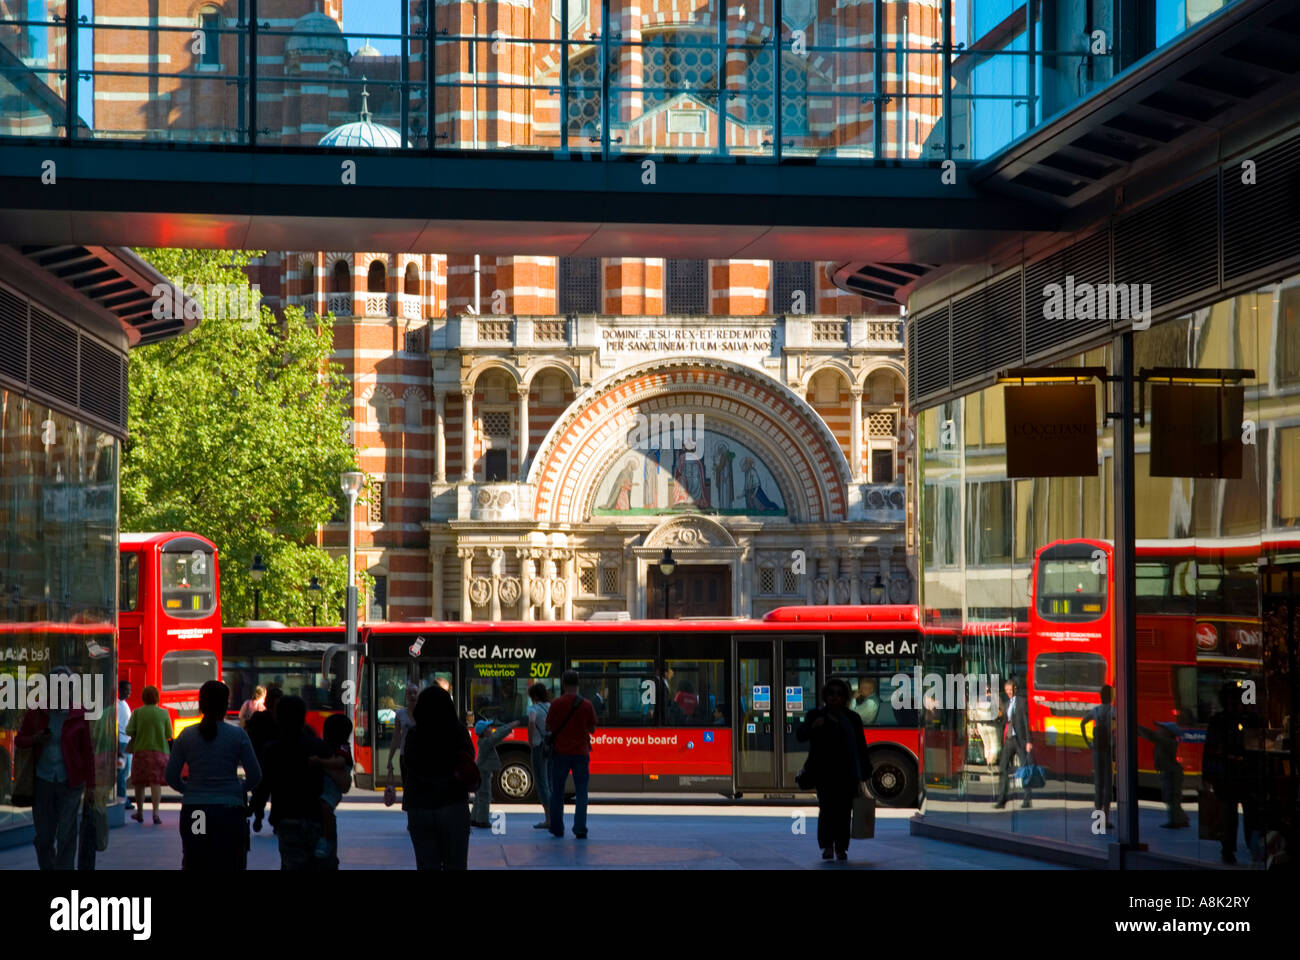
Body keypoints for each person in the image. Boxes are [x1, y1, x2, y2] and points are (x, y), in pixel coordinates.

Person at [164, 680, 261, 870]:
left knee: (197, 858)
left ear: (200, 705)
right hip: (229, 812)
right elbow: (255, 775)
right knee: (228, 860)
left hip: (196, 811)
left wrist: (189, 789)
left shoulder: (186, 735)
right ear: (226, 705)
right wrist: (238, 789)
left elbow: (171, 776)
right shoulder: (238, 735)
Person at [16, 667, 95, 870]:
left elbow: (87, 751)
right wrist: (36, 738)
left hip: (70, 782)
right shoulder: (36, 712)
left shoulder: (79, 714)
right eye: (56, 686)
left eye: (65, 687)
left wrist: (91, 786)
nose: (61, 691)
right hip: (43, 781)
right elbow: (19, 740)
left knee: (66, 834)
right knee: (44, 837)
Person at [249, 695, 334, 870]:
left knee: (292, 863)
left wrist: (253, 808)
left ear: (278, 718)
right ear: (303, 717)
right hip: (315, 816)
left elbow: (264, 785)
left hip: (286, 818)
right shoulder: (318, 746)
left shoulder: (273, 750)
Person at [796, 678, 873, 861]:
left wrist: (865, 770)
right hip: (824, 772)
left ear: (845, 697)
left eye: (839, 694)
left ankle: (841, 848)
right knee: (827, 810)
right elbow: (800, 735)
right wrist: (812, 727)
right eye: (831, 694)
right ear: (825, 696)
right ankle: (827, 846)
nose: (835, 697)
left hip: (847, 773)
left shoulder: (852, 718)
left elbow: (860, 746)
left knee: (844, 812)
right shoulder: (816, 715)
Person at [403, 685, 474, 870]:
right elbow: (469, 759)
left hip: (420, 807)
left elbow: (408, 763)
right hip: (453, 804)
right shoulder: (458, 732)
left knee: (426, 864)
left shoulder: (414, 734)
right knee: (456, 863)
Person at [1203, 682, 1262, 864]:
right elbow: (1211, 749)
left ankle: (1244, 848)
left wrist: (1208, 775)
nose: (1236, 704)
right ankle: (1233, 849)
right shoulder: (1237, 720)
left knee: (1244, 815)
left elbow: (1210, 750)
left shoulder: (1243, 719)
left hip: (1239, 775)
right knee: (1234, 816)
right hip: (1232, 775)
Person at [547, 669, 598, 839]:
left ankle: (557, 828)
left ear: (563, 684)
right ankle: (580, 828)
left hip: (560, 753)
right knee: (582, 792)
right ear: (578, 684)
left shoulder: (556, 703)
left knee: (557, 791)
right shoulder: (586, 704)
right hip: (581, 753)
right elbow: (592, 729)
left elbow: (549, 727)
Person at [125, 684, 173, 824]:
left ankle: (140, 813)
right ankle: (155, 814)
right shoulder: (164, 713)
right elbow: (169, 734)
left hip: (141, 751)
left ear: (143, 698)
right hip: (159, 752)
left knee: (139, 783)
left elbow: (129, 731)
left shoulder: (137, 712)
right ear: (157, 697)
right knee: (155, 783)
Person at [315, 713, 353, 868]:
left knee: (325, 807)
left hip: (332, 788)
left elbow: (340, 763)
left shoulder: (343, 748)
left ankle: (325, 839)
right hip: (329, 786)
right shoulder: (330, 748)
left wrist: (319, 762)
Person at [471, 714, 521, 828]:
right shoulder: (486, 742)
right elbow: (498, 735)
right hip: (483, 772)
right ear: (484, 732)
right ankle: (482, 820)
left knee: (479, 796)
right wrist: (510, 726)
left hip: (481, 770)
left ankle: (474, 818)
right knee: (485, 795)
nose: (491, 729)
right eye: (488, 727)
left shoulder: (483, 741)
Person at [1139, 721, 1190, 828]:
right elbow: (1150, 735)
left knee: (1172, 797)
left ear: (1168, 732)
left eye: (1161, 728)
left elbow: (1151, 735)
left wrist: (1136, 726)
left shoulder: (1167, 742)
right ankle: (1182, 818)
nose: (1158, 729)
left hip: (1171, 773)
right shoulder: (1165, 741)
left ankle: (1176, 821)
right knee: (1172, 798)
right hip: (1169, 771)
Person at [993, 678, 1033, 809]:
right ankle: (1001, 800)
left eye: (1010, 690)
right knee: (1003, 767)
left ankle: (1027, 799)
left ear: (1015, 689)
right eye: (1007, 690)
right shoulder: (1006, 704)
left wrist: (1029, 741)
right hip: (1009, 739)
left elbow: (1026, 722)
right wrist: (998, 717)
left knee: (1024, 768)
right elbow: (1005, 721)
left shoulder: (1022, 702)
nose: (1009, 692)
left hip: (1020, 740)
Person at [1081, 684, 1115, 830]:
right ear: (1110, 696)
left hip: (1096, 750)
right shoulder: (1112, 710)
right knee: (1107, 785)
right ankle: (1106, 820)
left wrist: (1087, 742)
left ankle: (1098, 821)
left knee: (1098, 785)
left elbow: (1082, 723)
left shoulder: (1095, 711)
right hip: (1107, 749)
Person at [527, 683, 552, 831]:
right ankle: (554, 817)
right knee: (550, 781)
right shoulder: (550, 706)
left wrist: (530, 741)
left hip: (538, 747)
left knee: (541, 783)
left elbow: (531, 722)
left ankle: (548, 819)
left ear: (534, 696)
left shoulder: (533, 709)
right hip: (551, 747)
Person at [388, 683, 419, 789]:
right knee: (406, 785)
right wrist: (390, 759)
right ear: (406, 696)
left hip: (420, 755)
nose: (412, 695)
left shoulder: (424, 713)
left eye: (415, 693)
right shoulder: (400, 714)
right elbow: (396, 737)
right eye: (409, 693)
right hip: (405, 755)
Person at [116, 681, 133, 811]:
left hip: (127, 742)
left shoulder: (124, 704)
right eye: (126, 690)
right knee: (122, 772)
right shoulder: (116, 705)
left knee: (126, 772)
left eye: (129, 690)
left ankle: (122, 796)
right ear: (120, 690)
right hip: (122, 743)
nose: (129, 692)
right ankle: (122, 798)